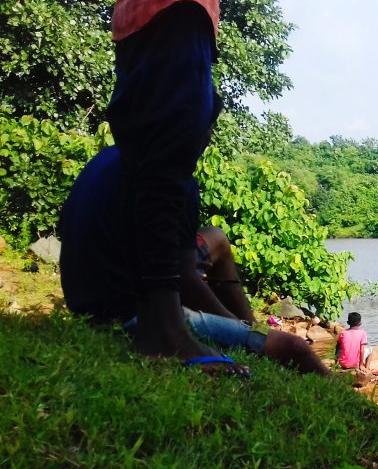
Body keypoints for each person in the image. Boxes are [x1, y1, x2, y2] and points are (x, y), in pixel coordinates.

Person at [60, 146, 330, 377]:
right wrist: (239, 330)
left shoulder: (106, 157)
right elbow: (185, 278)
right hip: (123, 317)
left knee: (216, 238)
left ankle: (249, 324)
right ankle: (253, 335)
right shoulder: (175, 177)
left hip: (81, 298)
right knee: (295, 348)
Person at [104, 0, 222, 365]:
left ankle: (153, 317)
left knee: (145, 165)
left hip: (139, 18)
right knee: (168, 163)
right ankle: (169, 330)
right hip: (177, 9)